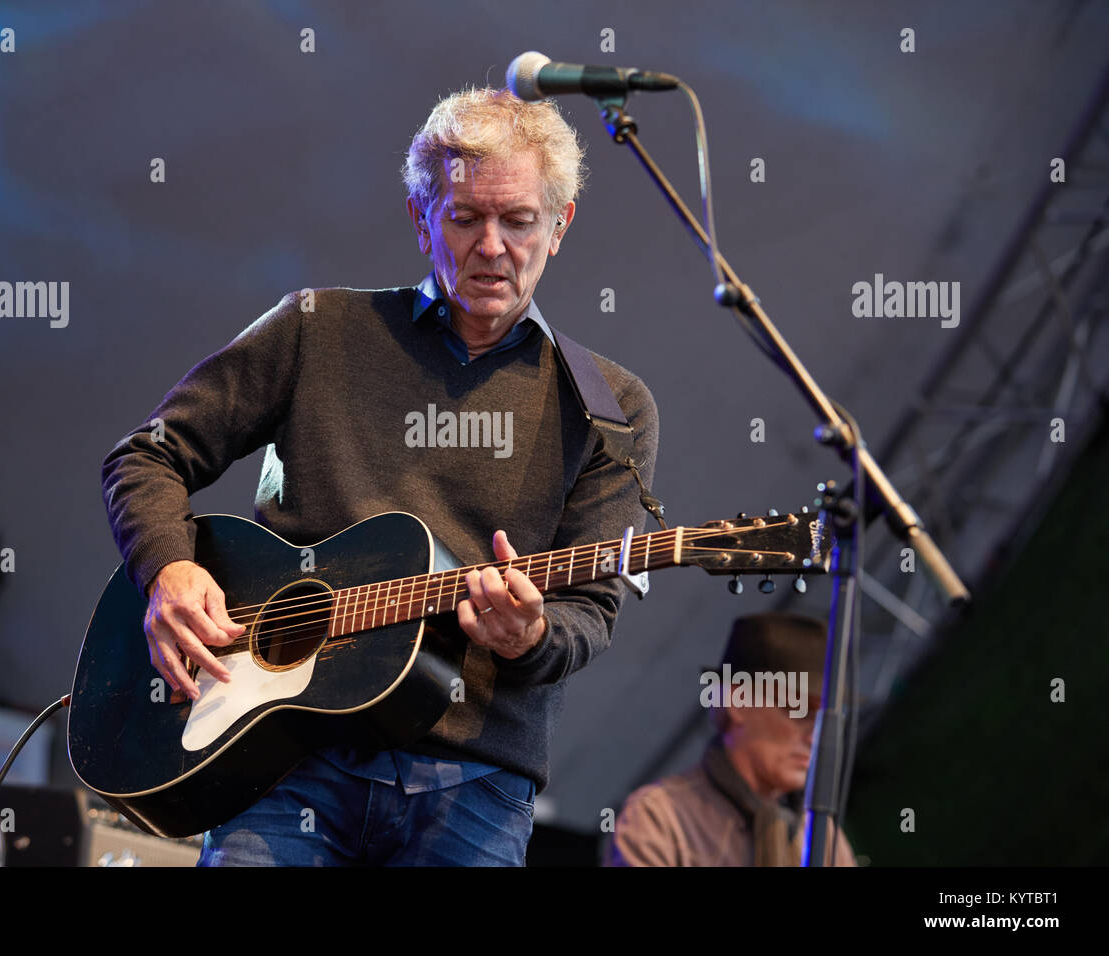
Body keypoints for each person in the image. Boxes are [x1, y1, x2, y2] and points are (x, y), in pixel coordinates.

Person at [99, 87, 660, 866]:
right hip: (282, 756)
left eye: (519, 220)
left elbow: (591, 610)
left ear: (560, 225)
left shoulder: (610, 406)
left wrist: (530, 633)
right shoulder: (316, 330)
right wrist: (170, 569)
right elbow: (148, 455)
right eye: (465, 217)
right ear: (419, 216)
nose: (492, 246)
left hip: (476, 785)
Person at [606, 612, 857, 866]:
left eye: (829, 719)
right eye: (799, 708)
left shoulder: (823, 838)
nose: (816, 735)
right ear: (737, 702)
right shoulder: (660, 818)